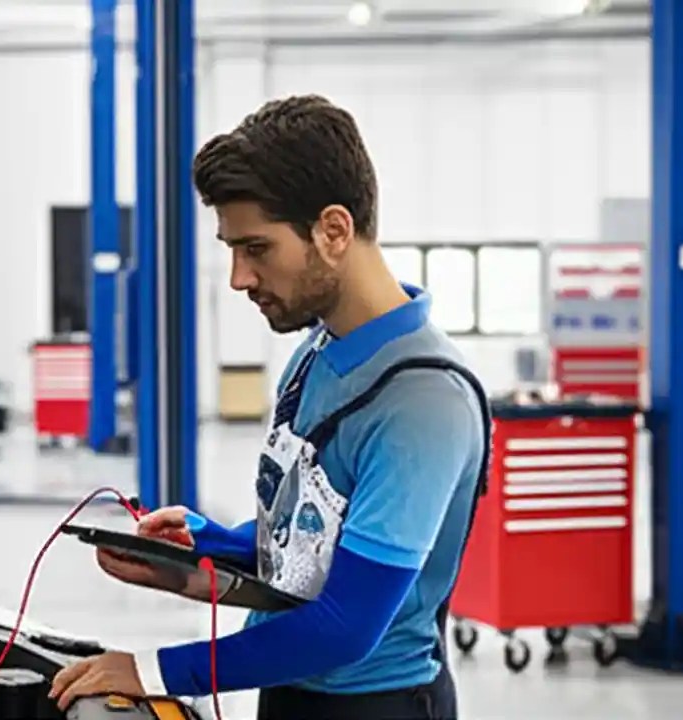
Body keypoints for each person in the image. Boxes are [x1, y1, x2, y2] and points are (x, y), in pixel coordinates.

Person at [49, 94, 489, 719]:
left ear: (333, 231)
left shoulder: (423, 403)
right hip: (290, 685)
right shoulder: (317, 351)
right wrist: (199, 552)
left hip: (375, 705)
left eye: (256, 249)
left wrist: (153, 670)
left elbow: (346, 624)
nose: (238, 277)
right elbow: (310, 545)